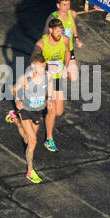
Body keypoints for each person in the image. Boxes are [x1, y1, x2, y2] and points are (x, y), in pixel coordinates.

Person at [6, 52, 50, 183]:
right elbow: (13, 89)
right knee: (33, 141)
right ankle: (30, 171)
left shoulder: (48, 76)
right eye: (39, 68)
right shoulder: (25, 78)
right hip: (25, 110)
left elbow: (50, 89)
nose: (42, 70)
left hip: (37, 111)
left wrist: (49, 99)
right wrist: (17, 99)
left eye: (44, 67)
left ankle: (14, 118)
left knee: (26, 139)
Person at [34, 17, 73, 152]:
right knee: (51, 110)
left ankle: (39, 107)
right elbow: (34, 63)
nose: (59, 34)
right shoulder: (41, 44)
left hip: (57, 79)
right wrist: (46, 70)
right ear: (50, 30)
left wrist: (66, 68)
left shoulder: (65, 40)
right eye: (56, 31)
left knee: (58, 111)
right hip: (46, 80)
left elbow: (68, 53)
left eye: (60, 31)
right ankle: (49, 139)